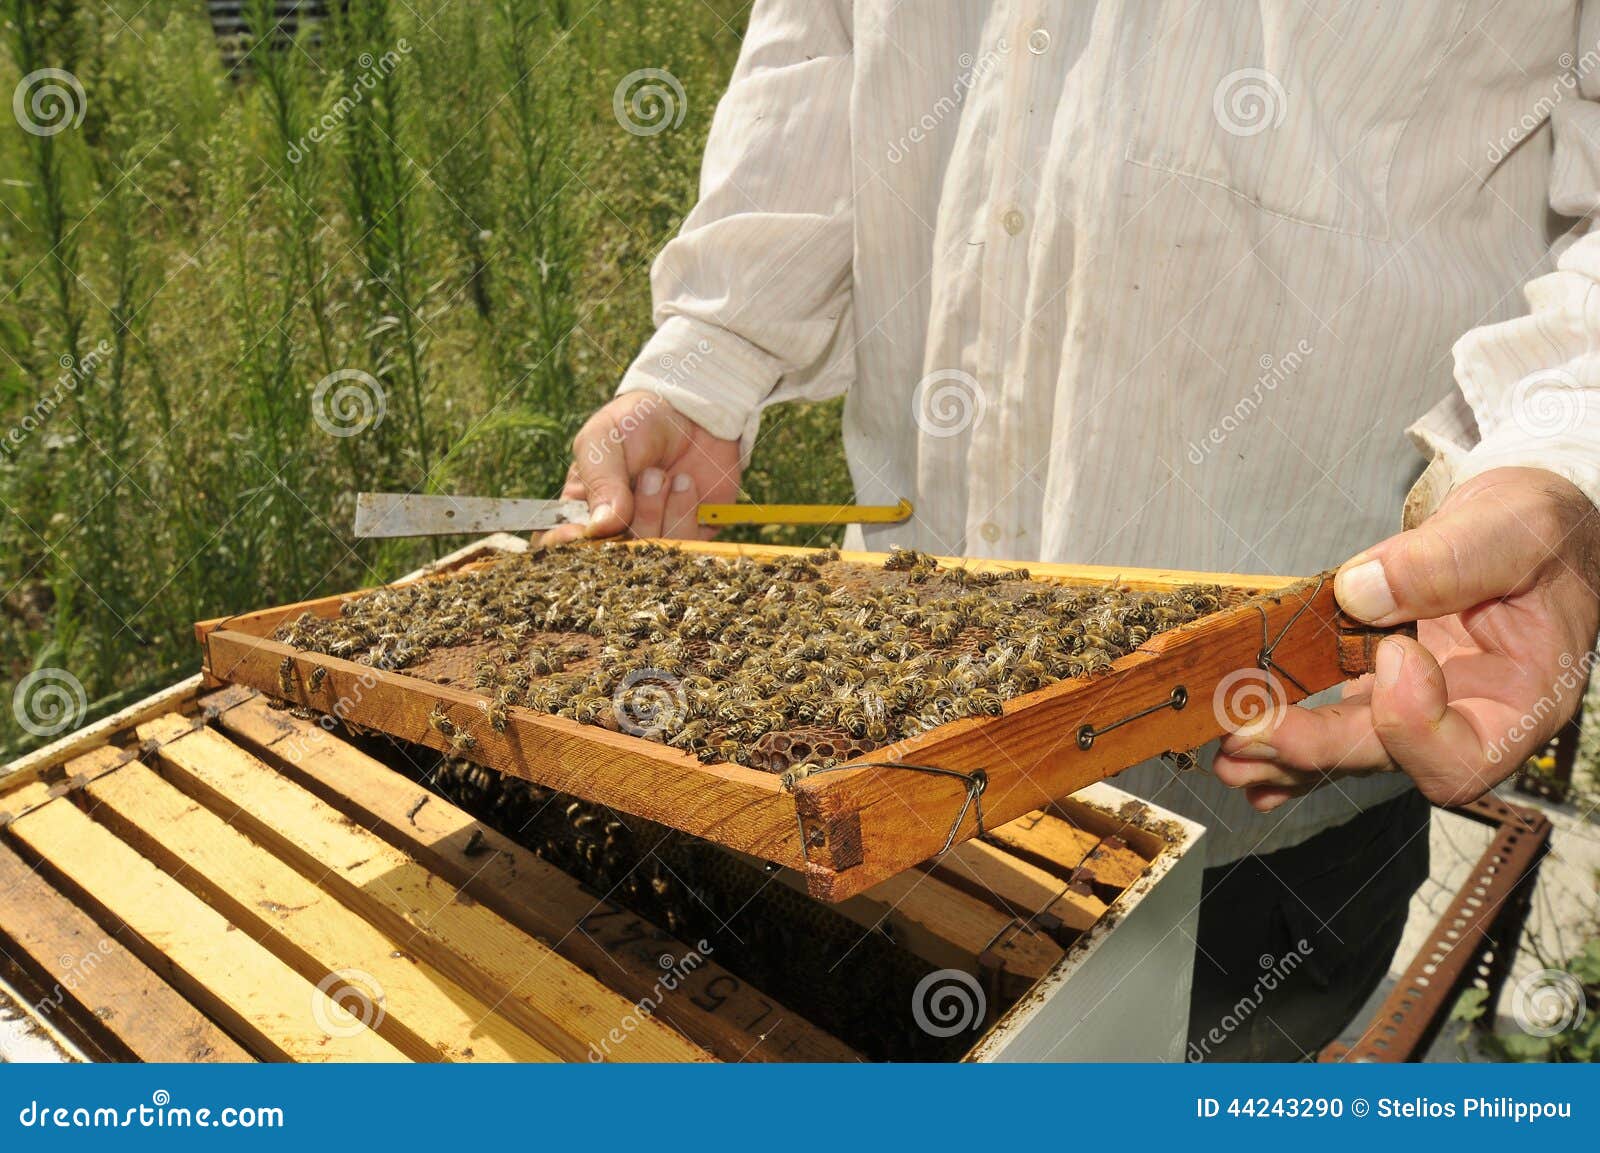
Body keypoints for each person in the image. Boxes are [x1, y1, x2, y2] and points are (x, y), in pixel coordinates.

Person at [545, 2, 1600, 1059]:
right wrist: (712, 355)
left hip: (1286, 764)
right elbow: (824, 34)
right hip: (898, 745)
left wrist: (1559, 466)